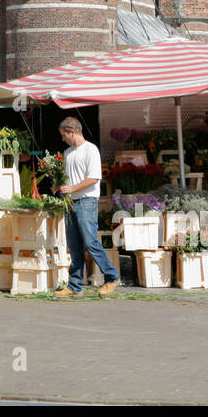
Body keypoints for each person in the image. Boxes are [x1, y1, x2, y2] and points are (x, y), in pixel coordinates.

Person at [54, 117, 120, 299]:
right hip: (71, 202)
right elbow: (68, 178)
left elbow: (93, 178)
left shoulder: (91, 150)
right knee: (74, 246)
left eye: (64, 135)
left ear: (72, 132)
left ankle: (112, 277)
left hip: (86, 201)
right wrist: (59, 186)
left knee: (90, 241)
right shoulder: (68, 153)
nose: (63, 139)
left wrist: (73, 189)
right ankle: (75, 286)